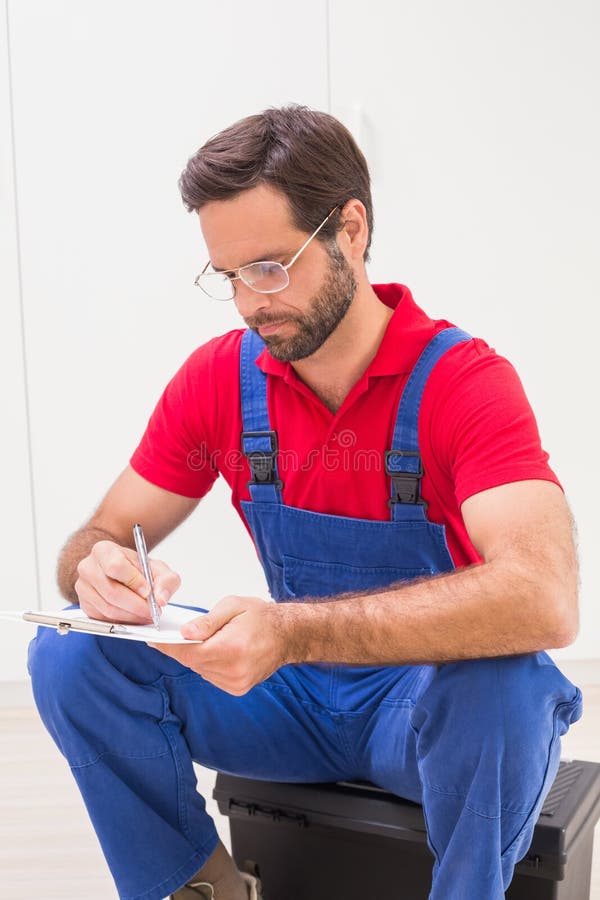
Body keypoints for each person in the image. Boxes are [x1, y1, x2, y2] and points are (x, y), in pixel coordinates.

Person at [28, 105, 583, 900]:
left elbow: (545, 596)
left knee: (507, 686)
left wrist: (289, 631)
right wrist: (101, 569)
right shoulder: (220, 379)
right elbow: (103, 532)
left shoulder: (464, 384)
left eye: (271, 266)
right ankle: (200, 884)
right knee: (71, 653)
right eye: (229, 276)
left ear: (350, 230)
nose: (252, 303)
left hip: (423, 715)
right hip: (283, 704)